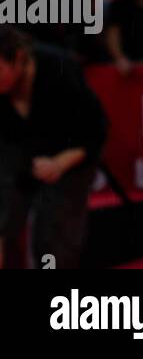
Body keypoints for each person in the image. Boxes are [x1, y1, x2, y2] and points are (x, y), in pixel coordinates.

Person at [0, 27, 108, 269]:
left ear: (17, 58)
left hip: (71, 155)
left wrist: (59, 163)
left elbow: (94, 131)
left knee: (54, 240)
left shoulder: (58, 69)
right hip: (16, 151)